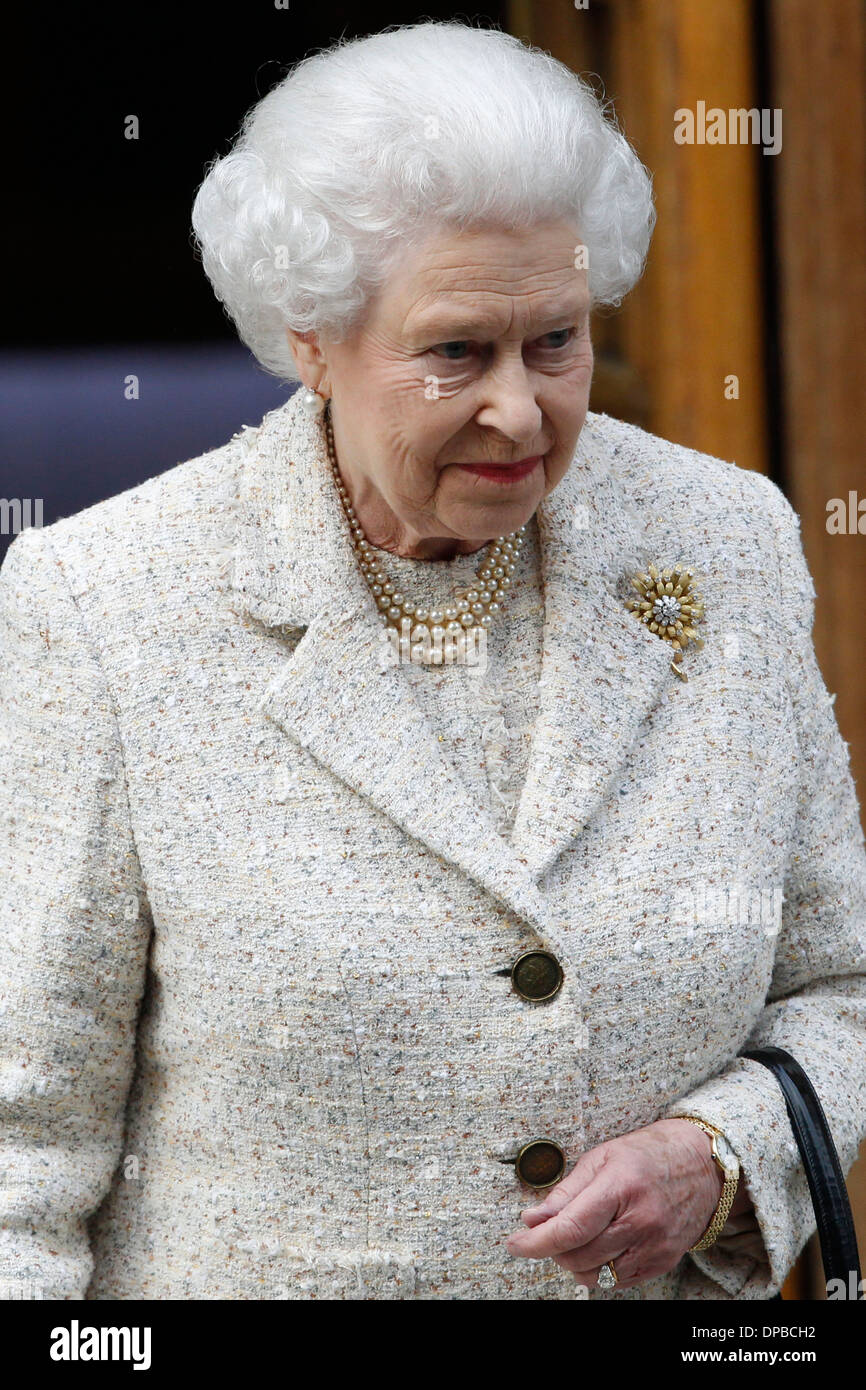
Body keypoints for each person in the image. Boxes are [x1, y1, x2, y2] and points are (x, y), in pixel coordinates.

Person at [1, 19, 864, 1301]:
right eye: (456, 351)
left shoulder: (721, 539)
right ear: (311, 335)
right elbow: (22, 1141)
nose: (519, 409)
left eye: (555, 341)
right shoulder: (104, 603)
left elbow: (841, 986)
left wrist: (719, 1152)